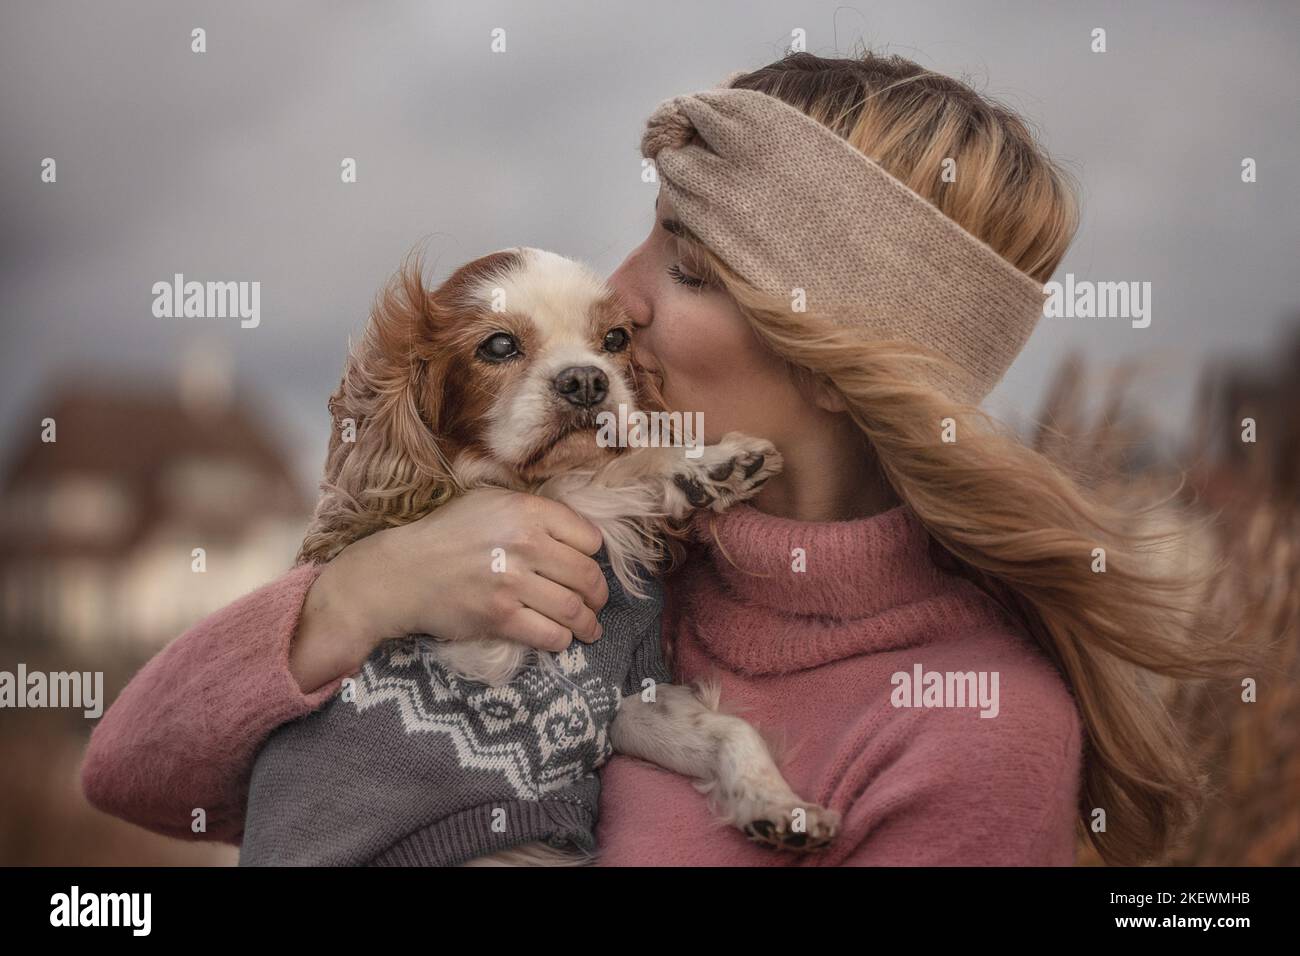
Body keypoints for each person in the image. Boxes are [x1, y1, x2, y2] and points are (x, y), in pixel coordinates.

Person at [81, 51, 1236, 866]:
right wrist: (355, 594)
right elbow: (137, 777)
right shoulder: (574, 551)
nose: (616, 297)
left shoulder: (972, 728)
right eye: (645, 232)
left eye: (685, 270)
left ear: (836, 365)